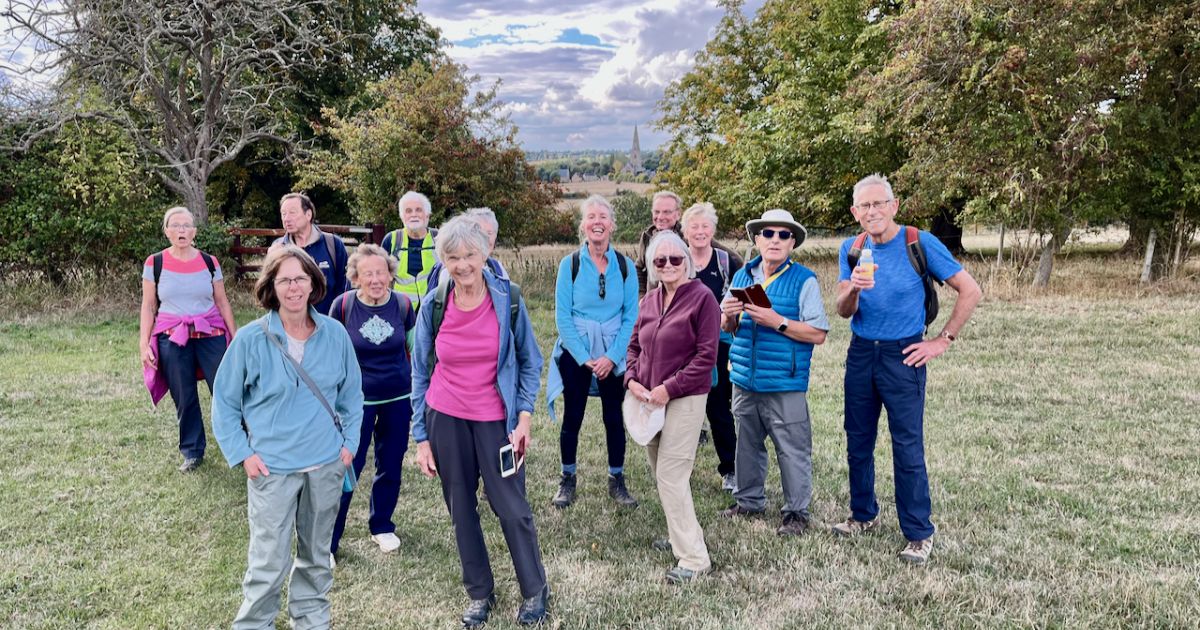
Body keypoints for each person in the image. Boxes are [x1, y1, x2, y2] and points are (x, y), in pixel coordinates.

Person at [212, 245, 363, 630]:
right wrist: (242, 454)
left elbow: (352, 397)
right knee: (268, 562)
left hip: (325, 466)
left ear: (313, 283)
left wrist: (348, 445)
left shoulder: (336, 334)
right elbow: (225, 403)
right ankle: (253, 625)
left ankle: (312, 622)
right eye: (285, 280)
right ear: (272, 287)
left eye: (301, 278)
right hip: (273, 470)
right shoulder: (250, 339)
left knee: (316, 557)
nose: (294, 287)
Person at [832, 173, 981, 564]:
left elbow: (971, 289)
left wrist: (941, 340)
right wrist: (853, 290)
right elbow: (843, 311)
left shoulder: (919, 242)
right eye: (864, 205)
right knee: (858, 441)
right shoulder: (852, 247)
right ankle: (863, 515)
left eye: (879, 203)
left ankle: (918, 533)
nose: (872, 211)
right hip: (862, 351)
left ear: (894, 206)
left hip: (904, 353)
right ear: (855, 212)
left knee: (907, 446)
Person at [410, 216, 549, 628]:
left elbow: (530, 362)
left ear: (485, 253)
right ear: (444, 261)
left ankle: (534, 590)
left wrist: (524, 417)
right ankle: (479, 592)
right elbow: (419, 370)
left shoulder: (509, 300)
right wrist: (421, 437)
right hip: (445, 417)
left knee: (510, 506)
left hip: (496, 422)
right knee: (460, 508)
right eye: (453, 257)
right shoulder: (435, 304)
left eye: (470, 254)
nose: (463, 264)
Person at [719, 209, 829, 537]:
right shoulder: (742, 276)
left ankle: (796, 512)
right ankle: (748, 501)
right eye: (768, 234)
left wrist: (775, 320)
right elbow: (729, 328)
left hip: (784, 380)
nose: (775, 240)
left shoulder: (804, 280)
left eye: (784, 235)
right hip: (745, 378)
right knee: (747, 445)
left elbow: (818, 333)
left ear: (793, 242)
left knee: (792, 448)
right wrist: (728, 316)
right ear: (757, 239)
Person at [626, 231, 720, 584]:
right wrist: (632, 381)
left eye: (675, 259)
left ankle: (694, 559)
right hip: (648, 396)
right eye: (659, 260)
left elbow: (705, 357)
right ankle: (679, 535)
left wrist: (669, 388)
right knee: (662, 473)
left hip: (686, 396)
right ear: (651, 265)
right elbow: (634, 346)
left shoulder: (702, 299)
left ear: (688, 261)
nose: (667, 265)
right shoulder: (649, 300)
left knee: (671, 473)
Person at [546, 195, 640, 509]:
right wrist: (585, 357)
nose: (597, 222)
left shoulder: (626, 267)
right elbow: (562, 317)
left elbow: (631, 317)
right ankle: (567, 479)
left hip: (614, 351)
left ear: (612, 225)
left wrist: (612, 356)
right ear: (583, 226)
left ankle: (617, 479)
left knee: (614, 418)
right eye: (591, 217)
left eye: (603, 216)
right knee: (572, 417)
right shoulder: (569, 265)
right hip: (577, 353)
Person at [327, 244, 417, 559]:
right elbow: (331, 354)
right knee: (347, 467)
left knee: (390, 464)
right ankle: (328, 541)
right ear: (356, 277)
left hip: (398, 398)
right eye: (368, 273)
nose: (375, 279)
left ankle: (381, 526)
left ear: (391, 274)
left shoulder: (404, 306)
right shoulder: (342, 306)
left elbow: (415, 352)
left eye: (381, 272)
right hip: (355, 404)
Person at [139, 206, 237, 472]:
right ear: (167, 231)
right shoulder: (154, 263)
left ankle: (239, 447)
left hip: (211, 334)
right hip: (172, 337)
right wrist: (144, 343)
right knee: (184, 394)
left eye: (186, 226)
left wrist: (235, 336)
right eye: (176, 225)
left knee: (226, 391)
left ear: (194, 231)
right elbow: (149, 306)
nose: (181, 230)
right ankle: (193, 451)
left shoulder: (210, 262)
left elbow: (222, 301)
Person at [682, 202, 744, 492]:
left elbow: (745, 295)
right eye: (694, 226)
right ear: (684, 231)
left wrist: (730, 314)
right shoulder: (676, 261)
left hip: (719, 345)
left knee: (719, 408)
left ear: (713, 230)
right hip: (684, 346)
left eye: (705, 226)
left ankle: (730, 469)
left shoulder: (726, 261)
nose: (700, 232)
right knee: (683, 411)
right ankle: (678, 470)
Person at [273, 192, 349, 317]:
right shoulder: (278, 249)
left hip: (327, 323)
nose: (286, 219)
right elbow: (270, 291)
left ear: (308, 214)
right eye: (283, 214)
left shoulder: (333, 244)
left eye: (292, 212)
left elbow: (344, 288)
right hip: (289, 325)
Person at [380, 191, 438, 311]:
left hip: (434, 310)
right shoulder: (391, 240)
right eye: (408, 211)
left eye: (418, 210)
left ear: (427, 215)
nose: (414, 215)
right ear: (402, 216)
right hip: (401, 311)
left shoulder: (440, 239)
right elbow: (382, 277)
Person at [427, 207, 509, 287]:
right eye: (480, 232)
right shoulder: (446, 272)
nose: (485, 238)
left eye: (489, 233)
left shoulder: (498, 269)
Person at [635, 191, 684, 295]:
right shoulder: (647, 236)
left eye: (666, 212)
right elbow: (639, 269)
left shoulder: (688, 235)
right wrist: (642, 297)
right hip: (653, 306)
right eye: (656, 212)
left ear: (678, 214)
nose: (660, 217)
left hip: (683, 304)